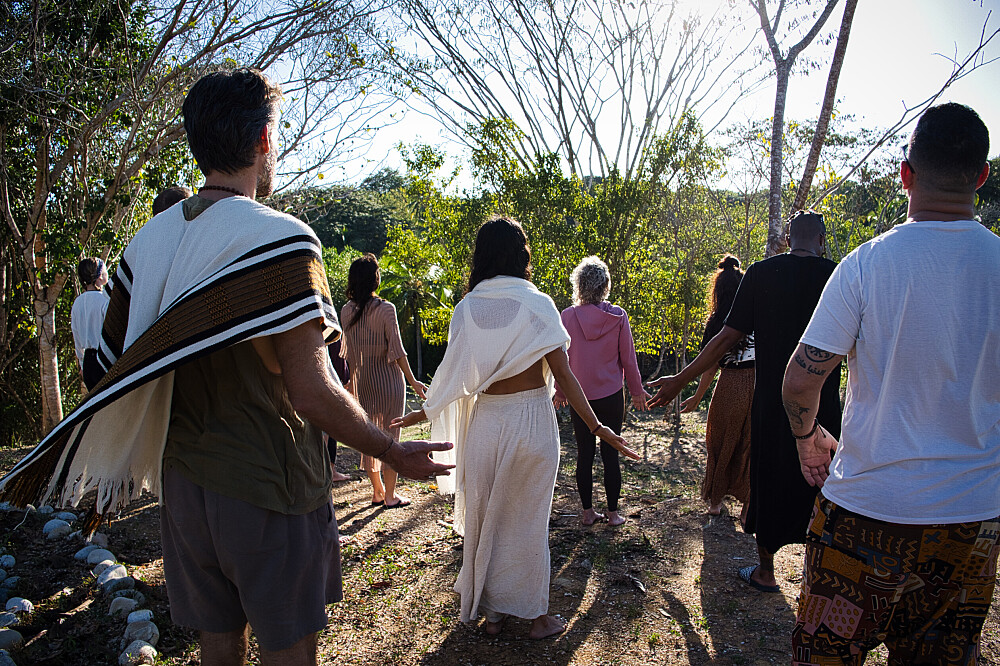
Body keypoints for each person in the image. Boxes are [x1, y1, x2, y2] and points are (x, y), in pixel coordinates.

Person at [0, 68, 452, 666]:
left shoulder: (148, 244)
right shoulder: (281, 242)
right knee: (288, 652)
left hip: (185, 490)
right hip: (269, 487)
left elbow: (105, 370)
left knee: (218, 647)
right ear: (265, 140)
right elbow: (313, 392)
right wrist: (392, 451)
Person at [782, 103, 999, 664]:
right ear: (981, 175)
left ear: (906, 174)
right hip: (971, 518)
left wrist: (809, 439)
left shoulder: (865, 265)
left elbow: (800, 383)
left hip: (865, 510)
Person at [393, 217, 640, 639]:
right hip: (530, 423)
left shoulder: (467, 307)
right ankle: (534, 617)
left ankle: (493, 615)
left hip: (487, 423)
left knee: (489, 516)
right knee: (526, 523)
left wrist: (424, 411)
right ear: (521, 254)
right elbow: (564, 376)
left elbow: (453, 373)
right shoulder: (539, 303)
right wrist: (598, 426)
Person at [648, 210, 842, 595]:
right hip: (823, 409)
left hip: (771, 406)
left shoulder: (761, 274)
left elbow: (723, 340)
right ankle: (817, 574)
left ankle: (766, 572)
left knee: (768, 480)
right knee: (823, 486)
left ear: (788, 240)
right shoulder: (838, 275)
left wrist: (679, 380)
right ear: (822, 241)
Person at [553, 256, 649, 526]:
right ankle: (613, 513)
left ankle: (586, 513)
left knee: (584, 454)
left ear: (579, 285)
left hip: (579, 397)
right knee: (611, 453)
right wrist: (637, 390)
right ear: (605, 285)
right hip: (610, 396)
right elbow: (628, 358)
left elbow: (562, 360)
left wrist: (561, 392)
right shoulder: (617, 315)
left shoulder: (567, 316)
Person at [340, 253, 427, 508]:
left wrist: (351, 385)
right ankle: (390, 496)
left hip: (363, 383)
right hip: (389, 384)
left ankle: (377, 492)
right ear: (375, 279)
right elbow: (398, 352)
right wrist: (413, 381)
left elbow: (350, 355)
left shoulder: (346, 311)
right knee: (391, 437)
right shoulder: (386, 310)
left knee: (370, 438)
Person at [680, 255, 754, 522]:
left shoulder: (716, 323)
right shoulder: (758, 317)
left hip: (730, 385)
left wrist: (698, 397)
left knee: (720, 442)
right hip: (758, 385)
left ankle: (715, 501)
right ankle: (747, 506)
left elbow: (709, 367)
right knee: (749, 443)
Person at [71, 257, 110, 390]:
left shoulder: (77, 303)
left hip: (88, 362)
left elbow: (76, 337)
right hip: (104, 359)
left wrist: (82, 365)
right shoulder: (105, 299)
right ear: (99, 276)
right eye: (105, 270)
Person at [324, 338, 352, 483]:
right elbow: (337, 353)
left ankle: (328, 470)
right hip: (328, 382)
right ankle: (329, 470)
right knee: (328, 430)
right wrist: (344, 377)